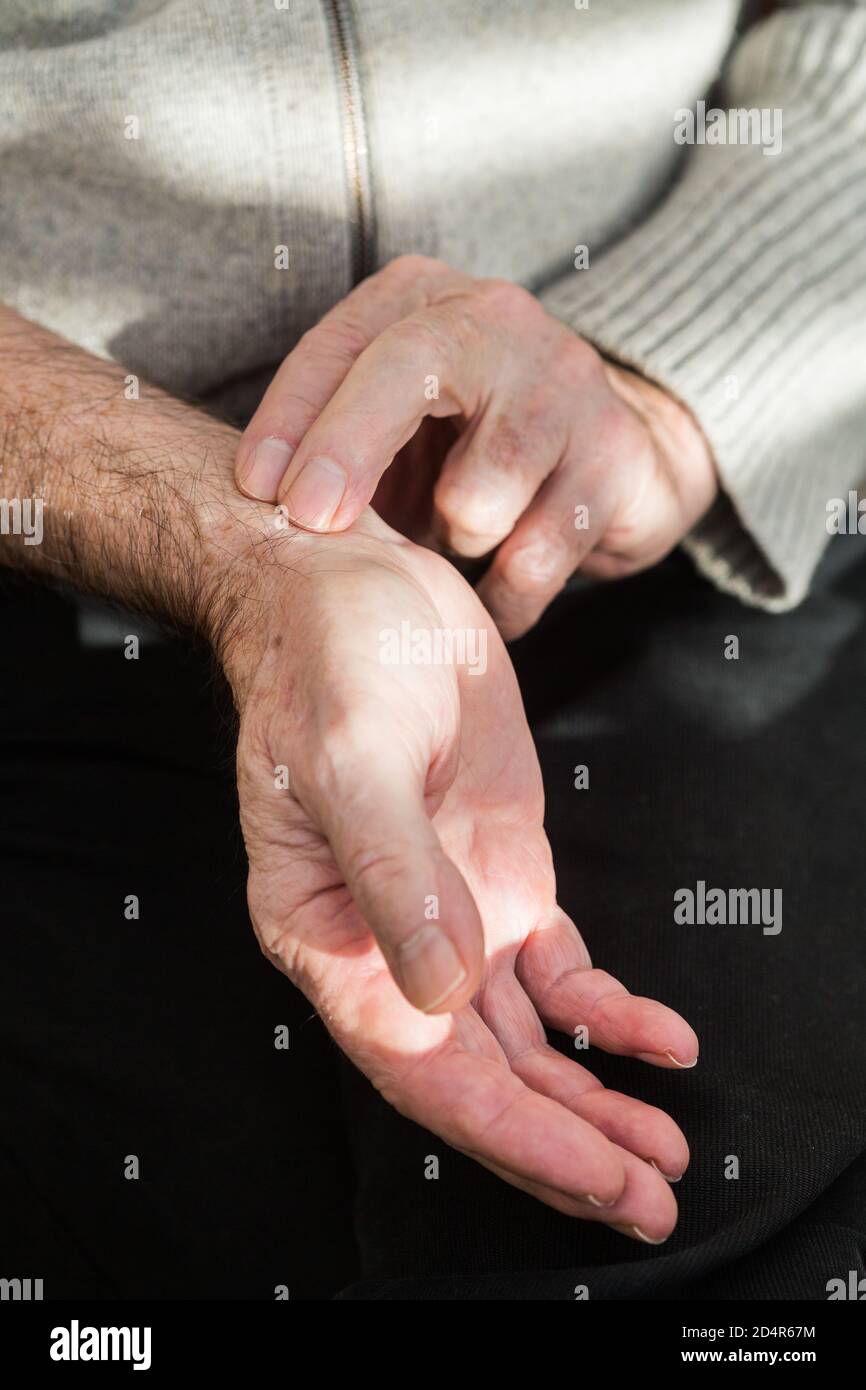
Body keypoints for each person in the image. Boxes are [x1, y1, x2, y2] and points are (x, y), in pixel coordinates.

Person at [1, 0, 864, 1299]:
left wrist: (667, 382)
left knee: (684, 1216)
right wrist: (234, 541)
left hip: (711, 484)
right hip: (48, 554)